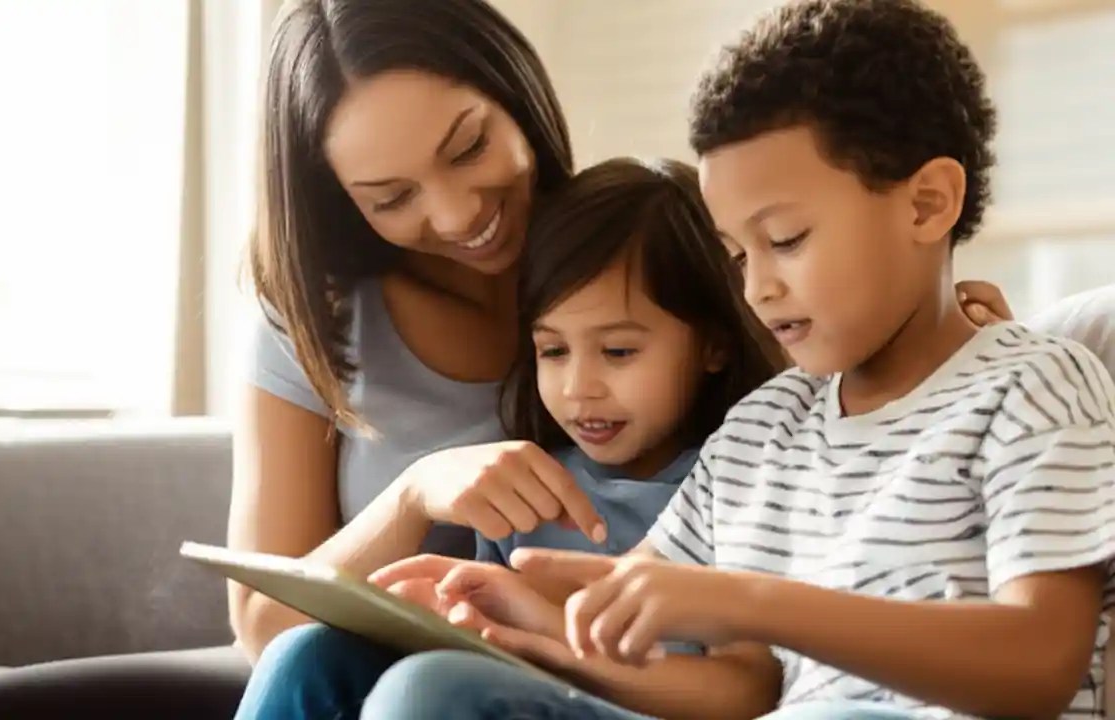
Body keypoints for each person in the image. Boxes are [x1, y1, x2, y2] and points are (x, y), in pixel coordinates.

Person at [0, 0, 1043, 716]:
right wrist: (414, 493)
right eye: (391, 196)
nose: (456, 215)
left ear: (512, 92)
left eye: (468, 150)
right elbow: (268, 632)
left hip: (520, 675)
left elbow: (828, 311)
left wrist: (945, 330)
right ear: (335, 201)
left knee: (428, 692)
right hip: (336, 658)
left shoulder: (628, 243)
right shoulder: (319, 313)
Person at [349, 1, 1115, 718]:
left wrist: (751, 600)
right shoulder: (761, 430)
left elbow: (1042, 660)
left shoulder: (1035, 386)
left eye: (786, 241)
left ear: (926, 204)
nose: (759, 288)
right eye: (738, 255)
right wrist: (525, 620)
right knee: (383, 675)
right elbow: (740, 677)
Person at [233, 156, 787, 718]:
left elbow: (746, 689)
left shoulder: (737, 481)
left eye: (619, 351)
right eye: (553, 351)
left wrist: (550, 643)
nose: (578, 388)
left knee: (429, 689)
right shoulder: (530, 489)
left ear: (714, 345)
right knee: (305, 652)